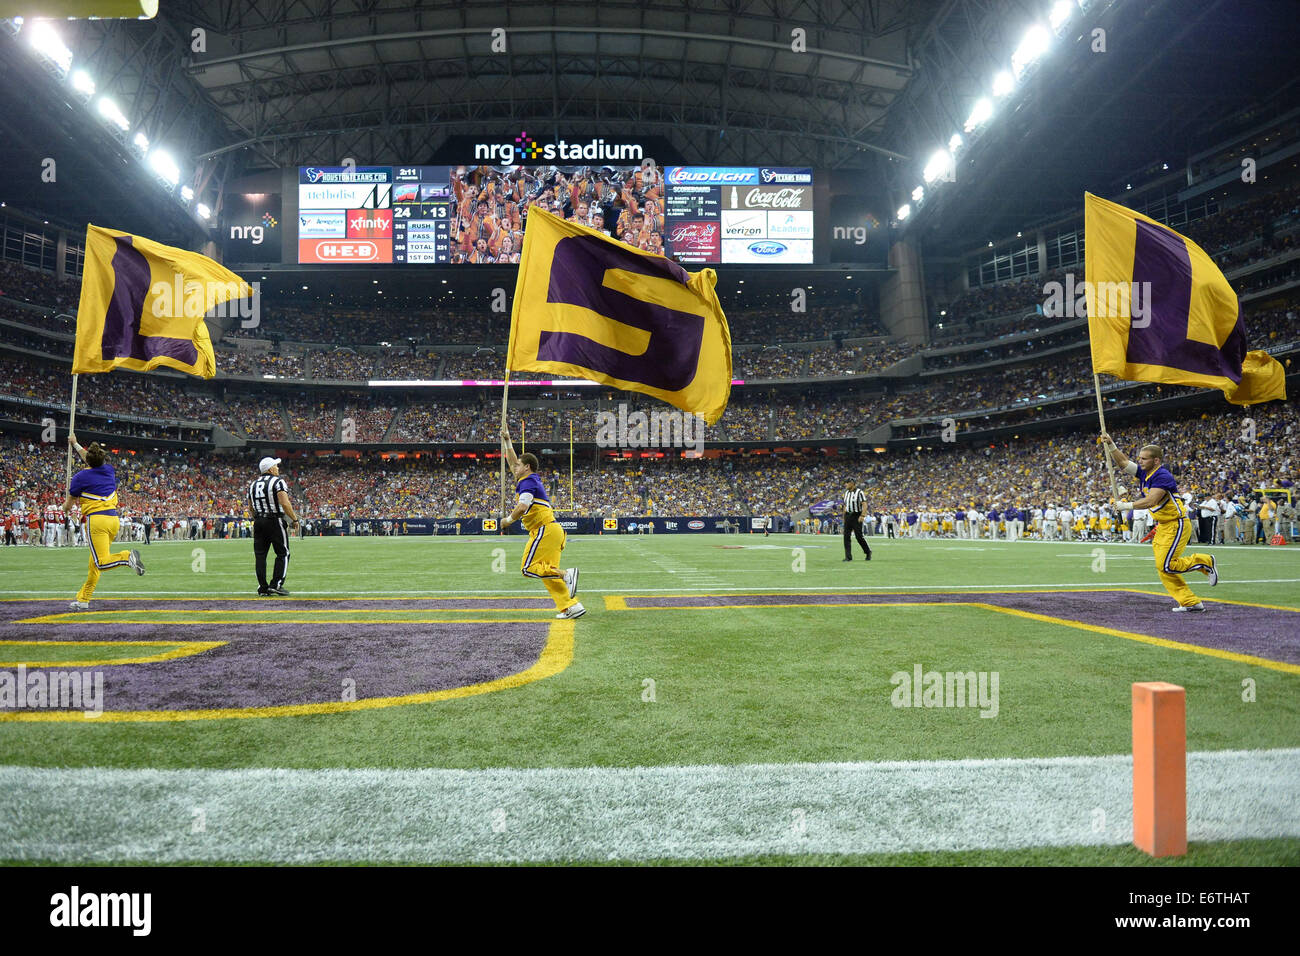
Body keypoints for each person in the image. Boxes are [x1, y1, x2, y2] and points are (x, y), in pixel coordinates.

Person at [1100, 434, 1217, 611]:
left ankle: (1205, 561)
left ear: (1156, 460)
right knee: (1163, 567)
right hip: (1163, 526)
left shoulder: (1163, 475)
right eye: (1139, 458)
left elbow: (1152, 501)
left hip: (1176, 524)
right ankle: (1189, 602)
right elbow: (1123, 463)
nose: (1140, 461)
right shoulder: (1144, 473)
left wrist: (1126, 506)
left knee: (1167, 564)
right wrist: (1111, 445)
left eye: (1144, 459)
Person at [500, 426, 584, 619]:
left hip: (544, 530)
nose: (514, 468)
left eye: (519, 466)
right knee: (547, 574)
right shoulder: (530, 478)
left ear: (527, 467)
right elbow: (513, 462)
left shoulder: (527, 482)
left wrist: (508, 520)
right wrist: (507, 441)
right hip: (553, 530)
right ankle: (571, 606)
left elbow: (522, 507)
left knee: (528, 568)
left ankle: (566, 575)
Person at [65, 434, 144, 610]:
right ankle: (83, 600)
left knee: (100, 562)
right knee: (94, 564)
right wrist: (76, 444)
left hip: (97, 521)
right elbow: (91, 459)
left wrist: (65, 506)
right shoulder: (108, 470)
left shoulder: (79, 477)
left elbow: (69, 505)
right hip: (113, 520)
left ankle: (126, 557)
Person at [247, 456, 300, 596]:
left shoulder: (252, 484)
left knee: (260, 556)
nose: (277, 468)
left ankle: (263, 588)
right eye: (276, 466)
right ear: (270, 469)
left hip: (258, 521)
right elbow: (284, 503)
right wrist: (294, 519)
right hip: (274, 520)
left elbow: (251, 507)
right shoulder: (278, 482)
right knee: (283, 553)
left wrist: (258, 519)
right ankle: (276, 584)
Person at [842, 482, 871, 561]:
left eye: (847, 483)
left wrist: (862, 515)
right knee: (846, 537)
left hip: (856, 515)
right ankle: (848, 557)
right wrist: (844, 517)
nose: (845, 485)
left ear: (852, 484)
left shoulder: (859, 492)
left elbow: (864, 504)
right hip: (848, 515)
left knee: (859, 536)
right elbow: (845, 506)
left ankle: (868, 551)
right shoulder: (846, 493)